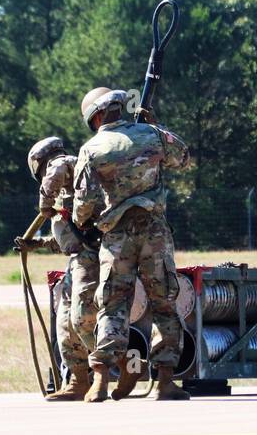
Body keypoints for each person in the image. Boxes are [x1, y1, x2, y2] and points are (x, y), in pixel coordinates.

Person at [72, 87, 191, 401]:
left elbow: (84, 203)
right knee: (164, 302)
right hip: (155, 232)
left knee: (113, 305)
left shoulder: (92, 149)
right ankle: (165, 381)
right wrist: (156, 125)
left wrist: (85, 223)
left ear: (94, 117)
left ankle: (100, 381)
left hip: (117, 237)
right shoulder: (151, 134)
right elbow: (182, 157)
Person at [21, 135, 99, 401]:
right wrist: (35, 244)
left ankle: (110, 368)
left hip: (93, 257)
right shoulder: (68, 195)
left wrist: (45, 204)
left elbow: (55, 172)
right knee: (65, 319)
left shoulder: (66, 164)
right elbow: (65, 239)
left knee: (82, 318)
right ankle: (78, 379)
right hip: (77, 259)